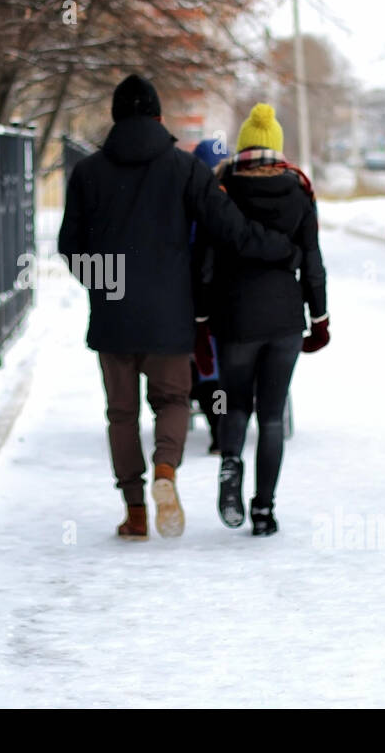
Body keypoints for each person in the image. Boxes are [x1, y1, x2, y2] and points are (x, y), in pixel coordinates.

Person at [58, 76, 300, 541]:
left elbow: (71, 247)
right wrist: (280, 248)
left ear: (114, 117)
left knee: (122, 414)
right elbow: (228, 227)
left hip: (113, 319)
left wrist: (107, 283)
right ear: (158, 116)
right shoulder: (184, 169)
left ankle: (134, 511)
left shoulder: (87, 173)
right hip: (171, 315)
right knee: (171, 400)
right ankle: (165, 470)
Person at [194, 104, 328, 536]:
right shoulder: (299, 191)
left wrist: (200, 318)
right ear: (277, 147)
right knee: (272, 416)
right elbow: (313, 262)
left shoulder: (222, 190)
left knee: (235, 405)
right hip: (285, 318)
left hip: (235, 316)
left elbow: (205, 263)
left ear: (243, 146)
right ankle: (264, 510)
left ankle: (230, 465)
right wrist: (319, 317)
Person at [190, 137, 230, 453]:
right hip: (234, 297)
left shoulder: (189, 201)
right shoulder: (237, 196)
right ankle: (225, 427)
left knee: (208, 368)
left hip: (200, 297)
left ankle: (219, 429)